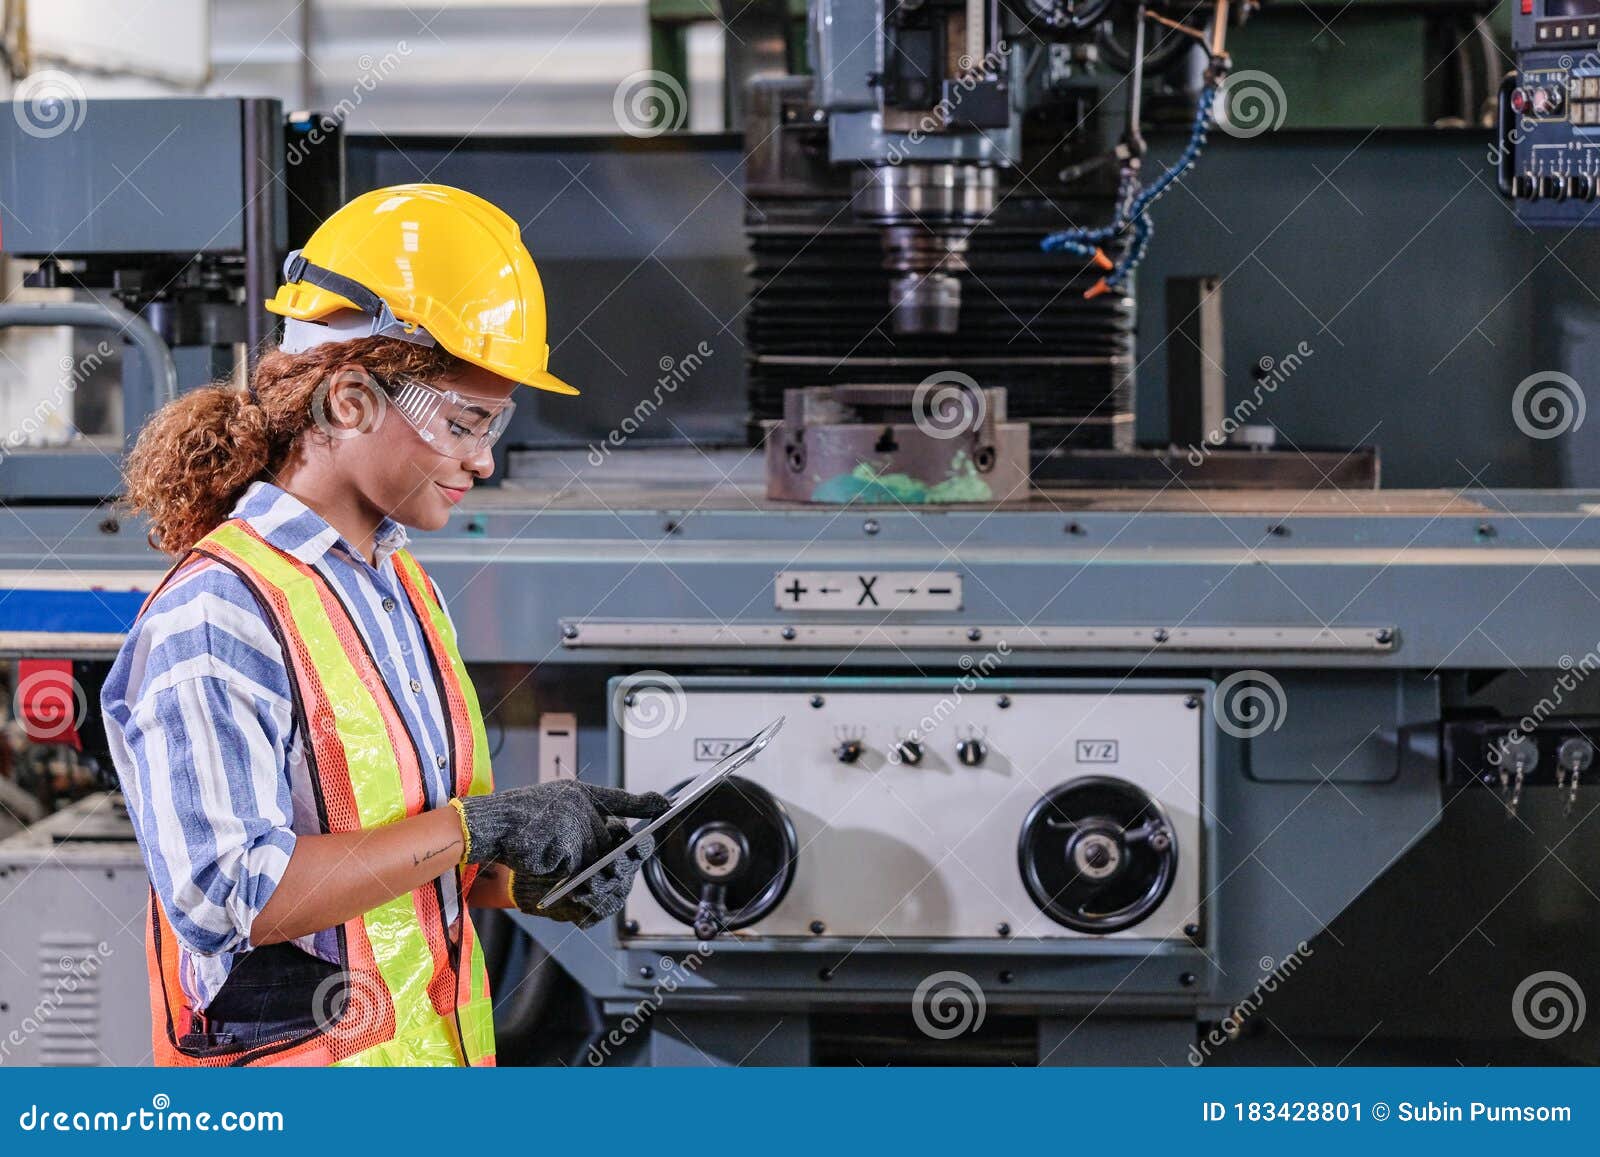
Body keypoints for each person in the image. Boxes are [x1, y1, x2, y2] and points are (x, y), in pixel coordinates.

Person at [100, 183, 669, 1067]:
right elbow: (227, 895)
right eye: (464, 420)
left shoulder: (401, 585)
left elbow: (410, 849)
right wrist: (481, 827)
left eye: (496, 422)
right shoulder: (221, 613)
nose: (483, 457)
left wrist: (537, 872)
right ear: (351, 400)